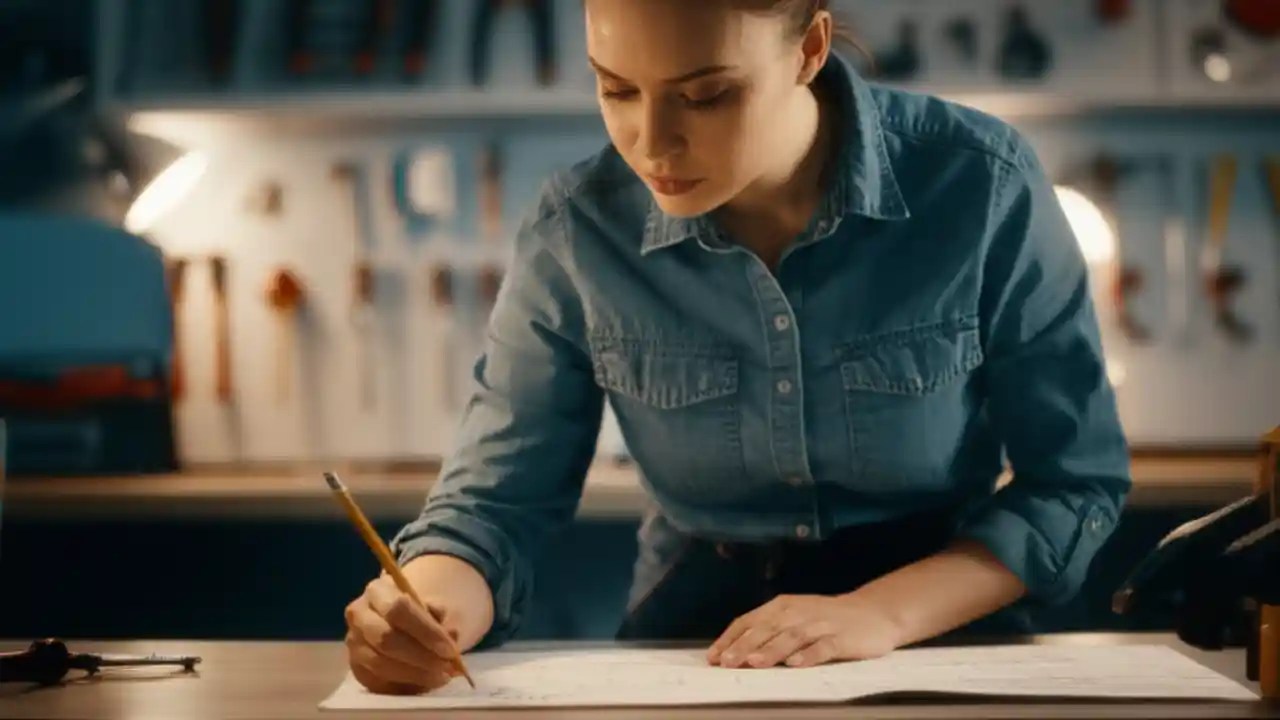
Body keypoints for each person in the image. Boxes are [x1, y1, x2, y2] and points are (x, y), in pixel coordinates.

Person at [343, 0, 1131, 695]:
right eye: (616, 88)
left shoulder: (981, 185)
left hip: (937, 631)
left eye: (706, 95)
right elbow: (494, 504)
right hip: (695, 644)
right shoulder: (576, 229)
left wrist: (878, 614)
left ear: (809, 49)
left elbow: (1072, 483)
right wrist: (429, 607)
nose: (653, 143)